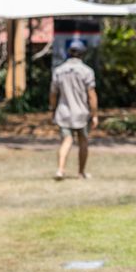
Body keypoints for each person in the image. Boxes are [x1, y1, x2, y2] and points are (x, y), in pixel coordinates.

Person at [50, 40, 98, 180]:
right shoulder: (87, 71)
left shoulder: (59, 70)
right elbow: (92, 95)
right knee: (83, 141)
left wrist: (52, 109)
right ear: (83, 54)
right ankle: (81, 172)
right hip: (81, 113)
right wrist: (94, 114)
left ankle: (60, 169)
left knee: (67, 140)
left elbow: (53, 93)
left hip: (63, 112)